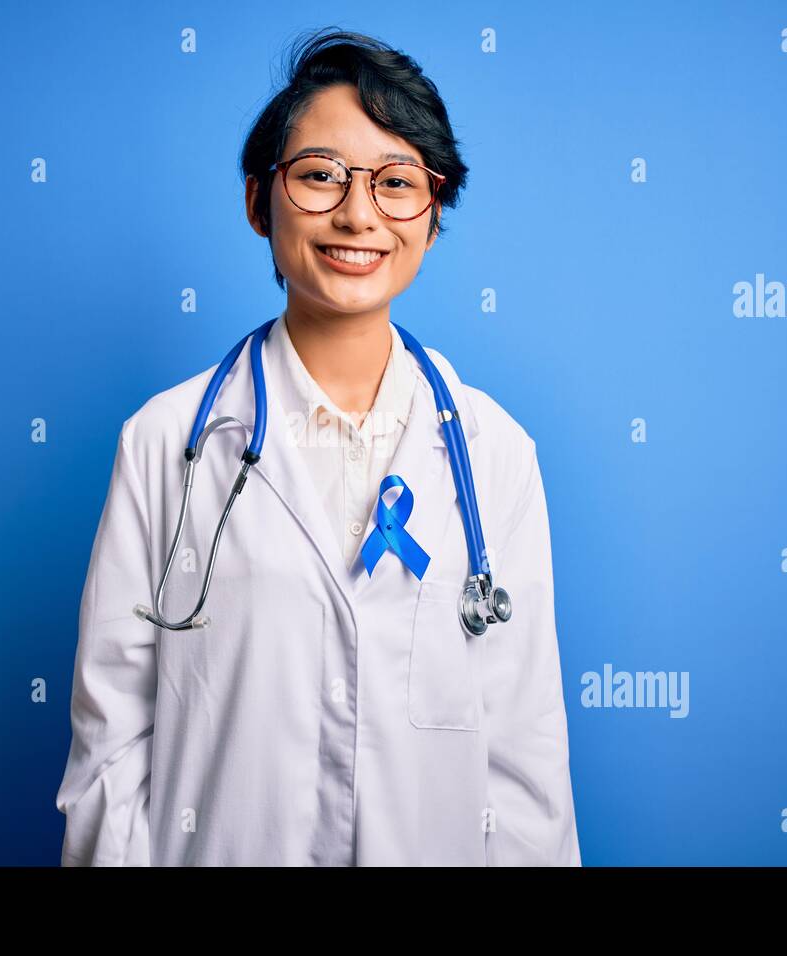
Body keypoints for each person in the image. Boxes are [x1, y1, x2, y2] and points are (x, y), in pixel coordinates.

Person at [54, 28, 581, 866]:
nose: (359, 213)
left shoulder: (495, 453)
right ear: (260, 201)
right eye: (321, 175)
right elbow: (110, 750)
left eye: (397, 182)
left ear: (435, 215)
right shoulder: (166, 443)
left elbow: (526, 767)